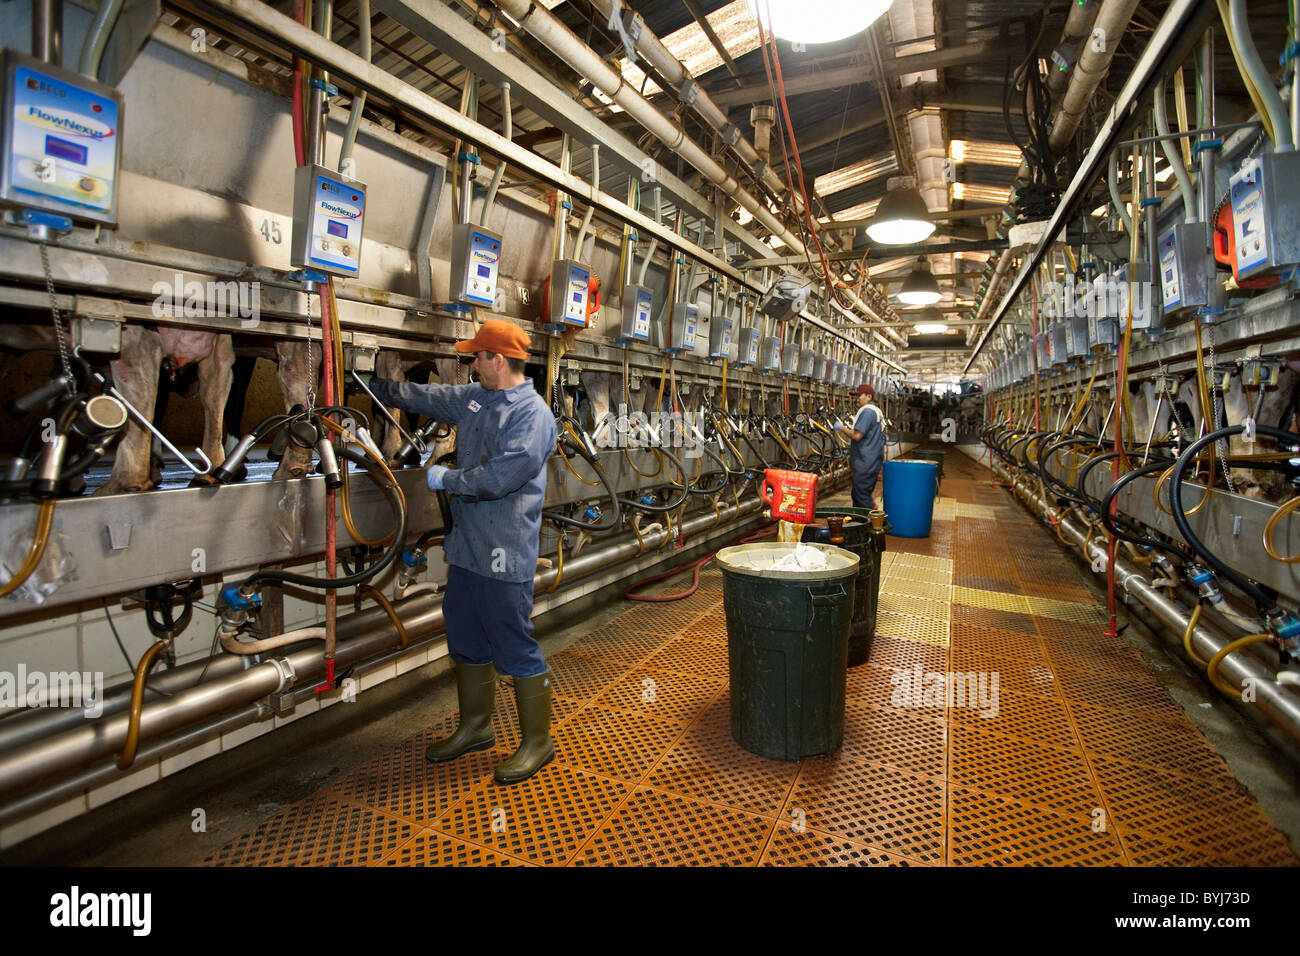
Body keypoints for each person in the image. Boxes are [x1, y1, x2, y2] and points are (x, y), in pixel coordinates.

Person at [366, 319, 558, 784]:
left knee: (513, 643)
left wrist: (446, 479)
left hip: (503, 551)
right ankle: (476, 726)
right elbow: (432, 399)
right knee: (467, 639)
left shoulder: (532, 416)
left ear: (497, 359)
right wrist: (378, 386)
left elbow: (497, 479)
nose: (471, 364)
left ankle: (538, 741)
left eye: (477, 356)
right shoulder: (478, 397)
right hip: (467, 549)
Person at [838, 383, 884, 510]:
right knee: (858, 494)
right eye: (856, 395)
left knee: (861, 496)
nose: (857, 398)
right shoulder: (874, 411)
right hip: (869, 461)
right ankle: (859, 523)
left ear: (869, 396)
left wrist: (841, 428)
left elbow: (857, 435)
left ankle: (874, 523)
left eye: (859, 395)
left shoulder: (868, 412)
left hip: (866, 462)